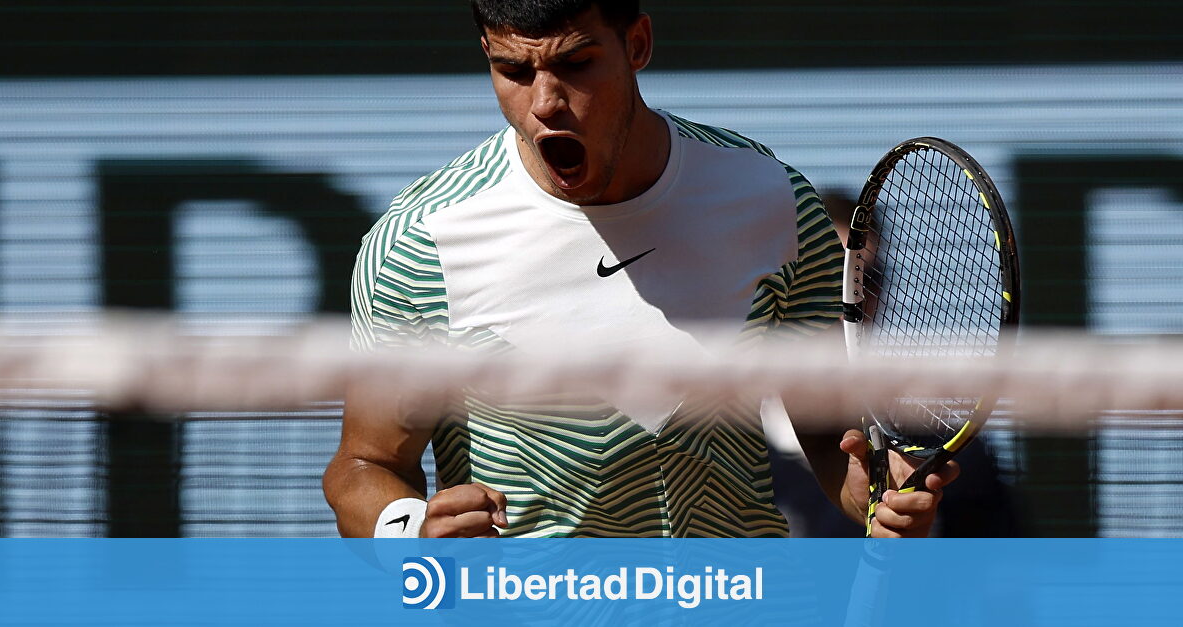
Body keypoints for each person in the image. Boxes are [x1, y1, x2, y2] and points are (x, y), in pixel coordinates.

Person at [323, 0, 958, 538]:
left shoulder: (772, 201)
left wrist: (874, 494)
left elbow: (829, 436)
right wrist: (407, 529)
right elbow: (364, 464)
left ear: (637, 43)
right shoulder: (421, 241)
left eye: (576, 64)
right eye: (511, 70)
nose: (545, 102)